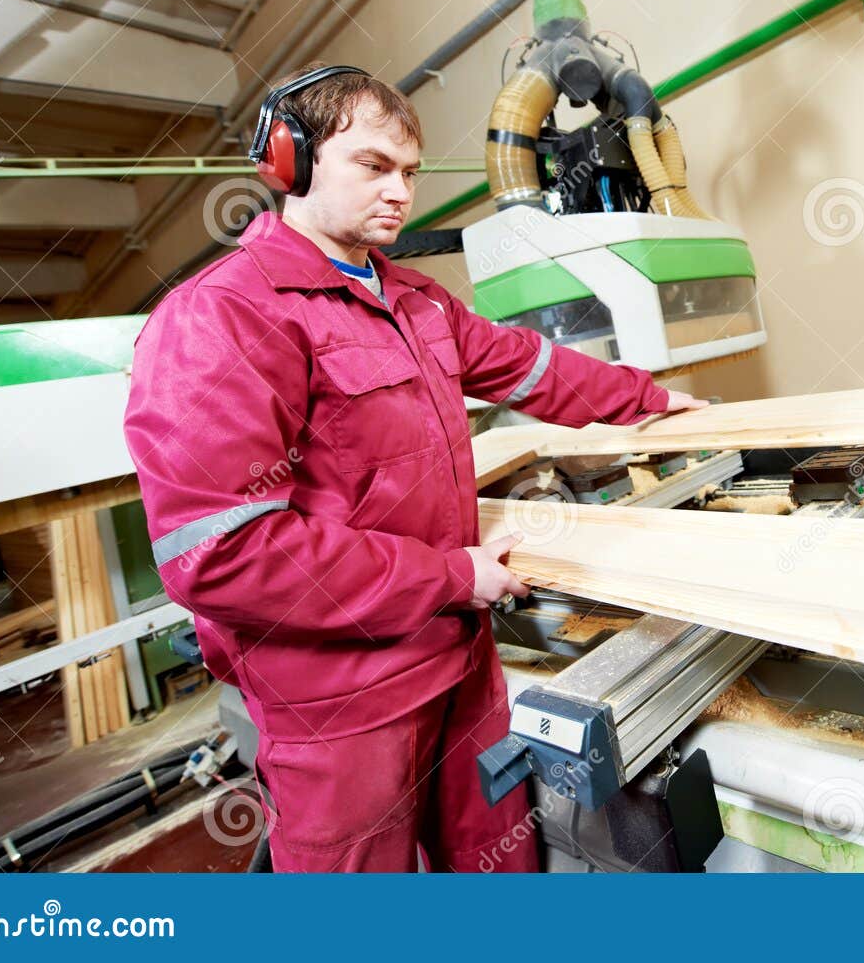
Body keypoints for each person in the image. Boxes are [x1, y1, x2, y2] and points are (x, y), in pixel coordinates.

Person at [123, 63, 705, 871]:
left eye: (409, 173)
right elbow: (220, 553)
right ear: (288, 161)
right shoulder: (224, 314)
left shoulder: (416, 300)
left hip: (461, 665)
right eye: (372, 166)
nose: (400, 192)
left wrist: (649, 398)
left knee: (499, 875)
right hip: (342, 706)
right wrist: (447, 576)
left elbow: (529, 366)